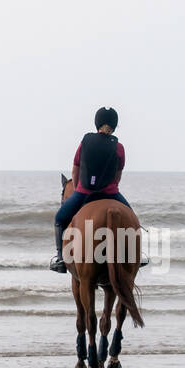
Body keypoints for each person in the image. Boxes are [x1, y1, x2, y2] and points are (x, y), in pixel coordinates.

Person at [49, 107, 139, 273]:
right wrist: (111, 189)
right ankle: (136, 258)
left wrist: (78, 190)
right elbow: (117, 176)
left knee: (60, 218)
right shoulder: (119, 147)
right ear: (114, 126)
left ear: (97, 123)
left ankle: (61, 259)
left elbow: (76, 168)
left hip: (84, 193)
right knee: (133, 221)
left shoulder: (85, 141)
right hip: (111, 193)